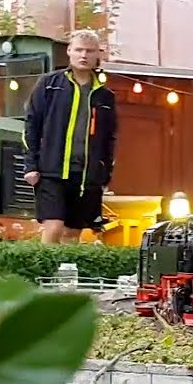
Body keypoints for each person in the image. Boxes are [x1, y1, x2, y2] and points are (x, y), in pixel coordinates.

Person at [23, 29, 118, 244]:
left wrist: (105, 174)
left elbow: (109, 138)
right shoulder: (49, 84)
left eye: (89, 51)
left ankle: (64, 276)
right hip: (51, 171)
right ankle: (43, 273)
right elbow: (31, 125)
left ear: (98, 55)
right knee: (54, 226)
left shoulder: (105, 95)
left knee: (73, 234)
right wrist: (30, 166)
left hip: (86, 175)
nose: (84, 55)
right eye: (79, 50)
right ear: (69, 51)